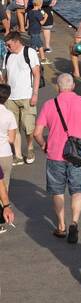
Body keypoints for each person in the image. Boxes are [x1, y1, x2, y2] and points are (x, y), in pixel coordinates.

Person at [33, 72, 81, 244]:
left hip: (55, 154)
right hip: (78, 155)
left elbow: (37, 133)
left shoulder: (48, 105)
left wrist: (43, 145)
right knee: (77, 190)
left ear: (58, 87)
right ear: (73, 86)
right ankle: (74, 222)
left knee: (57, 190)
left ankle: (61, 225)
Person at [4, 32, 40, 164]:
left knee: (28, 126)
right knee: (14, 127)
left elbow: (36, 73)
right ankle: (18, 155)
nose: (7, 48)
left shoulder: (29, 52)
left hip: (26, 95)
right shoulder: (8, 55)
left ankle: (30, 147)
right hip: (10, 97)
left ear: (16, 41)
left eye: (9, 45)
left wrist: (35, 94)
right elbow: (6, 76)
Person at [0, 82, 18, 221]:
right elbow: (12, 139)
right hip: (5, 153)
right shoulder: (9, 115)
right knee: (4, 185)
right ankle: (2, 216)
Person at [27, 0, 49, 66]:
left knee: (40, 45)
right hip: (35, 32)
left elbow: (27, 21)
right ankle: (30, 60)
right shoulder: (38, 13)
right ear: (39, 4)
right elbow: (42, 23)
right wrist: (45, 17)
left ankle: (43, 59)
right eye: (41, 4)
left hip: (31, 30)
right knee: (33, 47)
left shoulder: (30, 12)